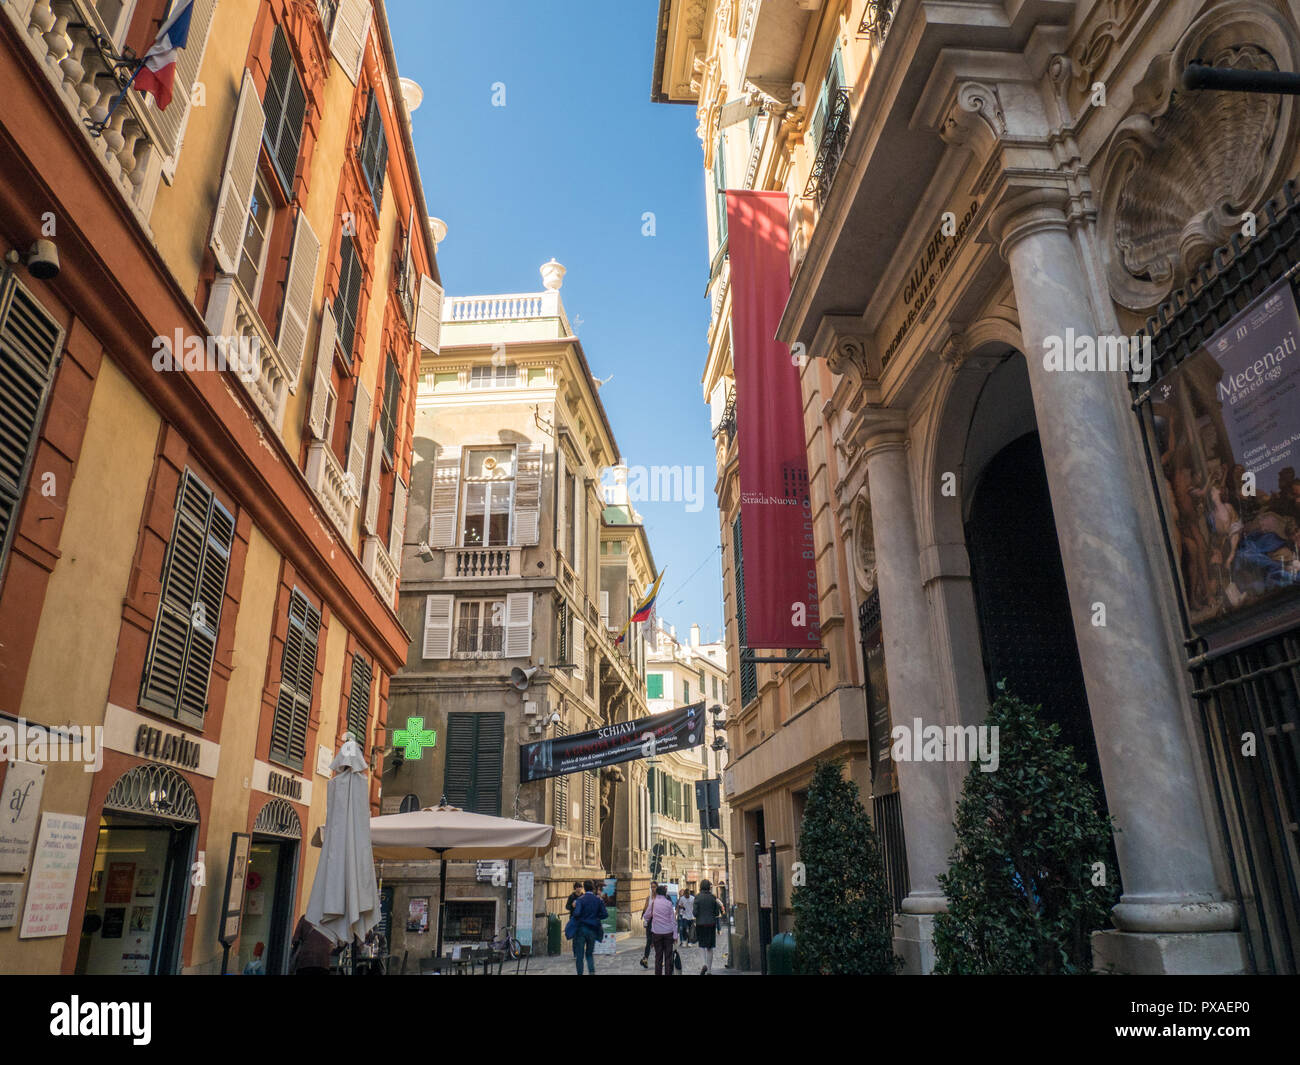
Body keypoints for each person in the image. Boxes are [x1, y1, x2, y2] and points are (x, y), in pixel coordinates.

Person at [571, 879, 607, 975]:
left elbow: (576, 914)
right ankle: (591, 972)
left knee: (579, 955)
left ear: (584, 888)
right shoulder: (598, 900)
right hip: (592, 930)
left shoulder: (580, 900)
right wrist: (596, 917)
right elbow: (605, 914)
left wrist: (576, 909)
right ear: (593, 888)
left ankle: (580, 973)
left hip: (581, 930)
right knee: (589, 954)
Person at [643, 884, 678, 975]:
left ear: (657, 893)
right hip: (668, 933)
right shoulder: (669, 903)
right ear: (665, 893)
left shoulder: (653, 903)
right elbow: (673, 920)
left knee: (658, 956)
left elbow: (646, 916)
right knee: (668, 957)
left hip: (657, 933)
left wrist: (652, 919)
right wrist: (675, 935)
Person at [694, 880, 723, 974]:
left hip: (700, 924)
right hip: (711, 924)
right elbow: (716, 913)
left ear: (701, 887)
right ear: (709, 887)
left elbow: (695, 913)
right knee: (710, 947)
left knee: (702, 945)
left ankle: (704, 964)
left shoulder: (697, 897)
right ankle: (709, 970)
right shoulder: (713, 898)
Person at [639, 880, 658, 968]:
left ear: (657, 888)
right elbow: (646, 908)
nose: (652, 889)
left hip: (658, 922)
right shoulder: (649, 898)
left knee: (658, 941)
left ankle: (659, 959)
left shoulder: (660, 898)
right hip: (650, 922)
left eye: (654, 887)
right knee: (649, 941)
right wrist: (643, 916)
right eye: (651, 887)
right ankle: (645, 959)